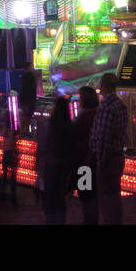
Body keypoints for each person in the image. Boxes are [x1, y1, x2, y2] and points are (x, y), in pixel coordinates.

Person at [89, 73, 129, 224]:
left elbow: (103, 137)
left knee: (105, 200)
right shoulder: (121, 105)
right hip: (118, 157)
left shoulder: (106, 107)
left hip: (107, 159)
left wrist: (100, 160)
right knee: (115, 198)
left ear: (103, 86)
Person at [41, 96, 75, 224]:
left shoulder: (49, 124)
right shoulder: (71, 126)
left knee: (49, 198)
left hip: (51, 164)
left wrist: (39, 165)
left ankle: (51, 221)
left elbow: (43, 145)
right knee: (61, 199)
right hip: (65, 166)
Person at [73, 87, 100, 224]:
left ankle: (89, 220)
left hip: (84, 161)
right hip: (94, 160)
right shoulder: (97, 114)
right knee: (92, 194)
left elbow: (77, 138)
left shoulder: (84, 117)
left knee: (86, 194)